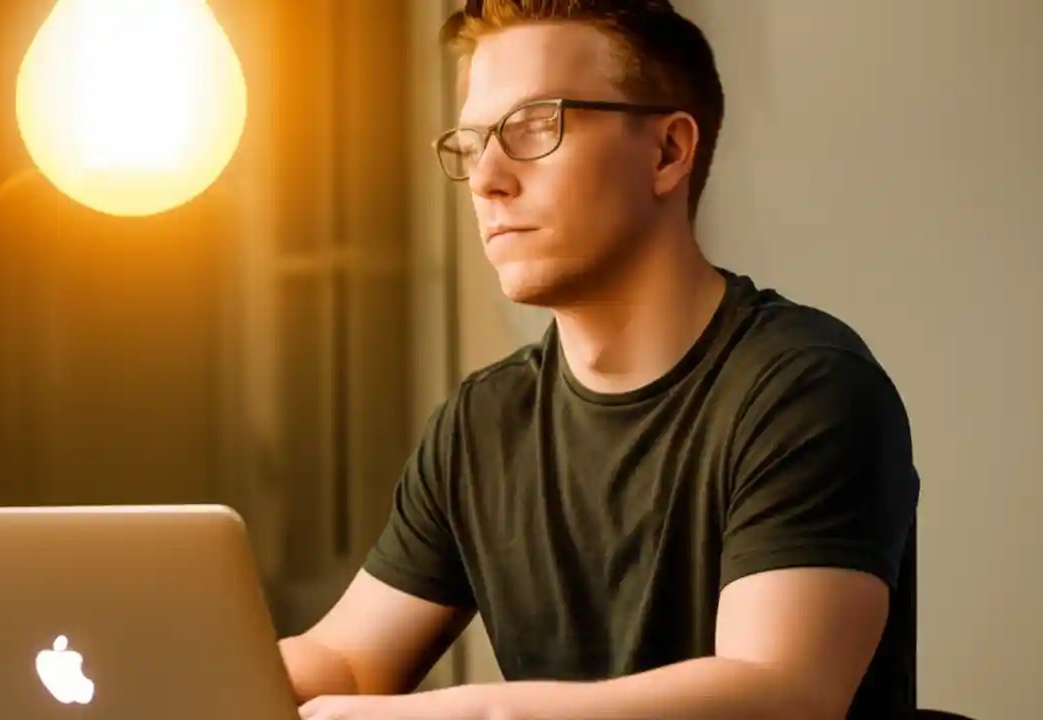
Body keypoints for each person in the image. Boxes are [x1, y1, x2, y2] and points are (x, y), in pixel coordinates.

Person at [280, 1, 920, 718]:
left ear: (668, 152)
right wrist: (199, 668)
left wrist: (477, 713)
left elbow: (778, 694)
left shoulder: (805, 388)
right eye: (473, 141)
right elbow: (346, 663)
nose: (486, 179)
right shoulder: (482, 422)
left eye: (532, 126)